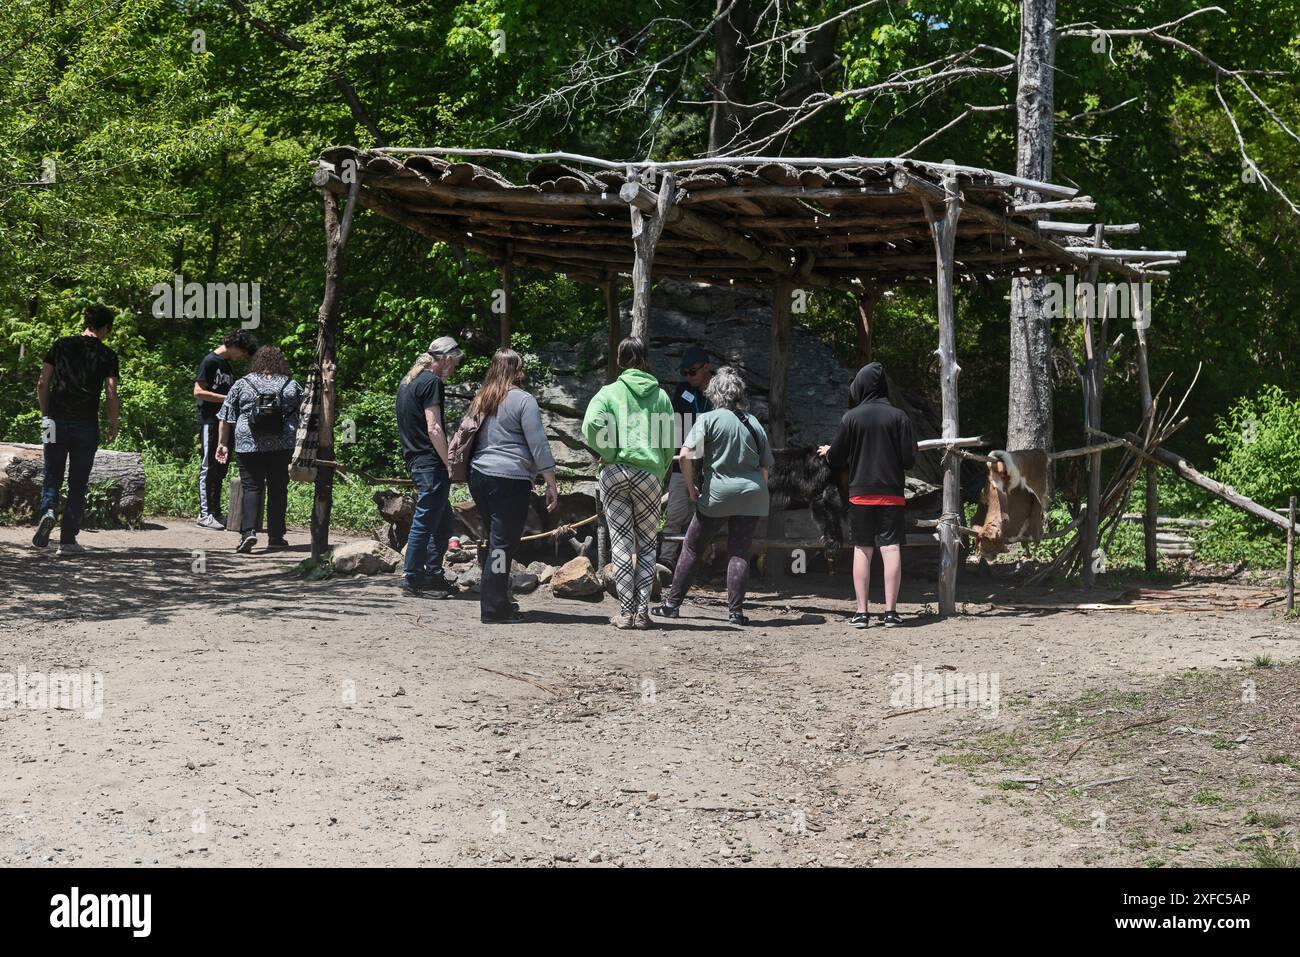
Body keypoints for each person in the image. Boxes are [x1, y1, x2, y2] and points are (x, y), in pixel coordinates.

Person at [653, 366, 773, 626]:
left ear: (715, 393)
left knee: (693, 546)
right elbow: (765, 469)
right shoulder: (754, 423)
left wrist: (691, 487)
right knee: (739, 550)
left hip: (718, 493)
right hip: (752, 494)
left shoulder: (708, 419)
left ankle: (672, 605)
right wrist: (754, 494)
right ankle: (736, 613)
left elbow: (685, 455)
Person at [581, 337, 674, 630]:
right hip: (648, 474)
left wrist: (608, 452)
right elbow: (670, 442)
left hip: (614, 472)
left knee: (620, 543)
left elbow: (592, 425)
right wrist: (659, 469)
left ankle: (625, 612)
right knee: (646, 545)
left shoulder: (608, 393)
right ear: (646, 359)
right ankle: (642, 613)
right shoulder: (661, 397)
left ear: (620, 361)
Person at [819, 361, 916, 629]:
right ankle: (890, 613)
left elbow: (836, 458)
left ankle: (862, 613)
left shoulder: (851, 418)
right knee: (891, 548)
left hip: (860, 493)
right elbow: (909, 460)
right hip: (891, 494)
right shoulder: (899, 417)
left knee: (863, 549)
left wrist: (828, 450)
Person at [466, 348, 559, 623]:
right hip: (510, 480)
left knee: (497, 541)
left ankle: (498, 600)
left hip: (479, 476)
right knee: (501, 545)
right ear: (517, 370)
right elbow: (538, 444)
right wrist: (550, 481)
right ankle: (494, 608)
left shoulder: (481, 399)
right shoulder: (524, 400)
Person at [32, 304, 120, 556]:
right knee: (78, 482)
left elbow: (42, 383)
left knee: (51, 473)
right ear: (105, 328)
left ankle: (48, 511)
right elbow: (111, 393)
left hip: (54, 422)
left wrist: (45, 414)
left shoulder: (60, 345)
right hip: (87, 426)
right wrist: (112, 422)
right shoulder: (107, 355)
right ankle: (67, 541)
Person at [215, 345, 303, 554]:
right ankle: (276, 537)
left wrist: (222, 443)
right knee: (278, 488)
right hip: (282, 445)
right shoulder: (291, 384)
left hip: (248, 444)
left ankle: (248, 533)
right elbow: (306, 414)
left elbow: (225, 416)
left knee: (251, 487)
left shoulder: (242, 384)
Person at [394, 336, 462, 597]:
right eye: (454, 362)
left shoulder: (409, 380)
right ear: (445, 360)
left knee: (443, 522)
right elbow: (433, 427)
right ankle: (412, 579)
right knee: (425, 522)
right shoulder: (432, 381)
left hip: (415, 459)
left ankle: (433, 574)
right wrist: (449, 463)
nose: (454, 368)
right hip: (429, 461)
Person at [194, 329, 257, 529]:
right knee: (208, 467)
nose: (243, 356)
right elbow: (198, 392)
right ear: (234, 346)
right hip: (209, 421)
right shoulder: (209, 361)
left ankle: (215, 511)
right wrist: (227, 399)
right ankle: (204, 514)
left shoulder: (227, 367)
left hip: (226, 422)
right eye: (243, 351)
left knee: (220, 468)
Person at [658, 345, 713, 574]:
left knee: (705, 518)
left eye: (692, 371)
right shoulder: (681, 392)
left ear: (706, 368)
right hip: (684, 462)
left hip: (711, 465)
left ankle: (700, 564)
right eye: (685, 373)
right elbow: (673, 427)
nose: (688, 377)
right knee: (675, 514)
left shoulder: (721, 389)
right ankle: (666, 562)